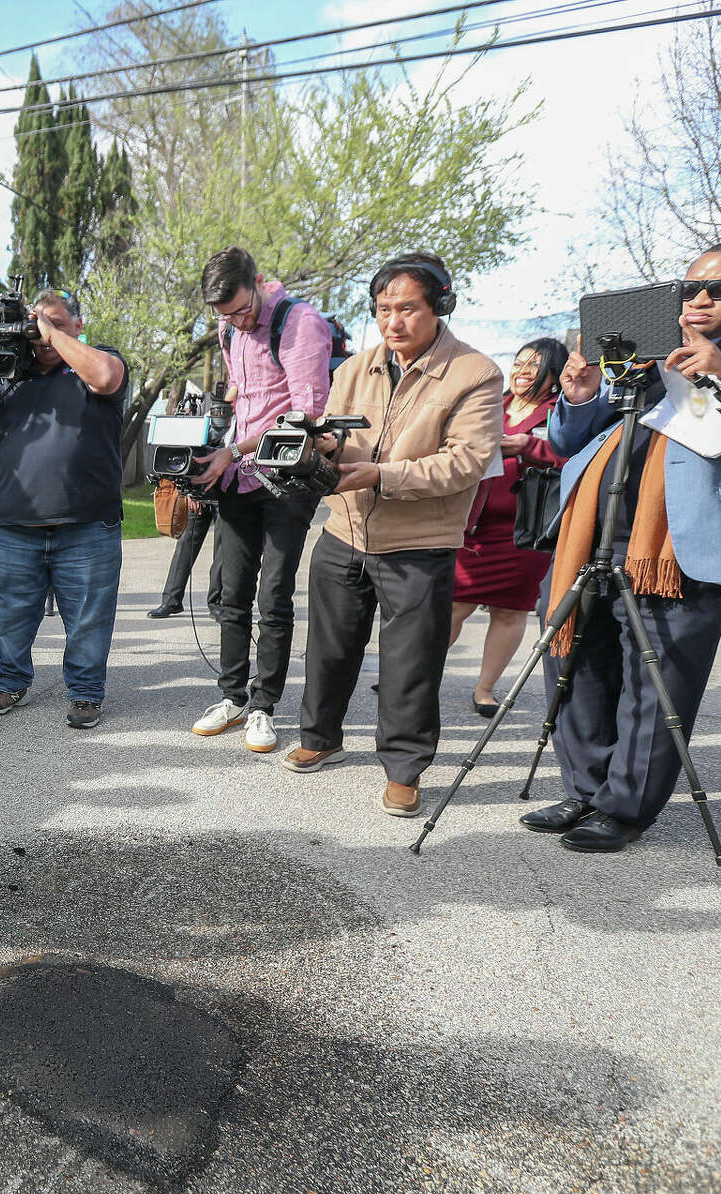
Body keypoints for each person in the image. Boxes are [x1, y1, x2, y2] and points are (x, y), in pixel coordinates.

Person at [518, 240, 721, 857]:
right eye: (689, 289)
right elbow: (574, 439)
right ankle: (583, 788)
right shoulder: (652, 358)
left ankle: (625, 807)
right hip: (591, 533)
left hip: (679, 546)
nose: (700, 300)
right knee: (575, 664)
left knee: (655, 683)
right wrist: (578, 394)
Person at [281, 252, 502, 819]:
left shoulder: (475, 373)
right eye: (383, 310)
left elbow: (466, 462)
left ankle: (404, 770)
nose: (393, 322)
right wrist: (326, 449)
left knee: (409, 664)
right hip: (345, 531)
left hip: (419, 543)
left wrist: (383, 474)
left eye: (407, 308)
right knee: (328, 649)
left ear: (440, 307)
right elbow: (344, 440)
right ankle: (321, 738)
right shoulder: (353, 369)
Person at [185, 249, 332, 754]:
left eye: (241, 310)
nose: (236, 321)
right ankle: (231, 697)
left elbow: (306, 412)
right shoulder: (229, 331)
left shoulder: (300, 323)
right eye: (224, 316)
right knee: (231, 593)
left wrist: (232, 450)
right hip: (238, 477)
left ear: (259, 282)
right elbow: (239, 396)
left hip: (286, 480)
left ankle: (264, 705)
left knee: (273, 596)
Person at [0, 290, 129, 730]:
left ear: (77, 325)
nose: (40, 335)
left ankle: (86, 693)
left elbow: (106, 379)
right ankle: (11, 680)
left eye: (54, 323)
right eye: (37, 325)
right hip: (16, 524)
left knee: (89, 618)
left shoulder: (99, 361)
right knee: (12, 613)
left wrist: (52, 334)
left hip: (87, 524)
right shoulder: (12, 373)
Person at [448, 338, 568, 716]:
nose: (523, 371)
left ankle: (485, 690)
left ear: (554, 376)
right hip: (471, 525)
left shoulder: (561, 414)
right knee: (450, 605)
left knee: (509, 612)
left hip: (525, 532)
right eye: (519, 363)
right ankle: (415, 676)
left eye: (535, 365)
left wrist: (530, 447)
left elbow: (575, 458)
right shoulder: (490, 406)